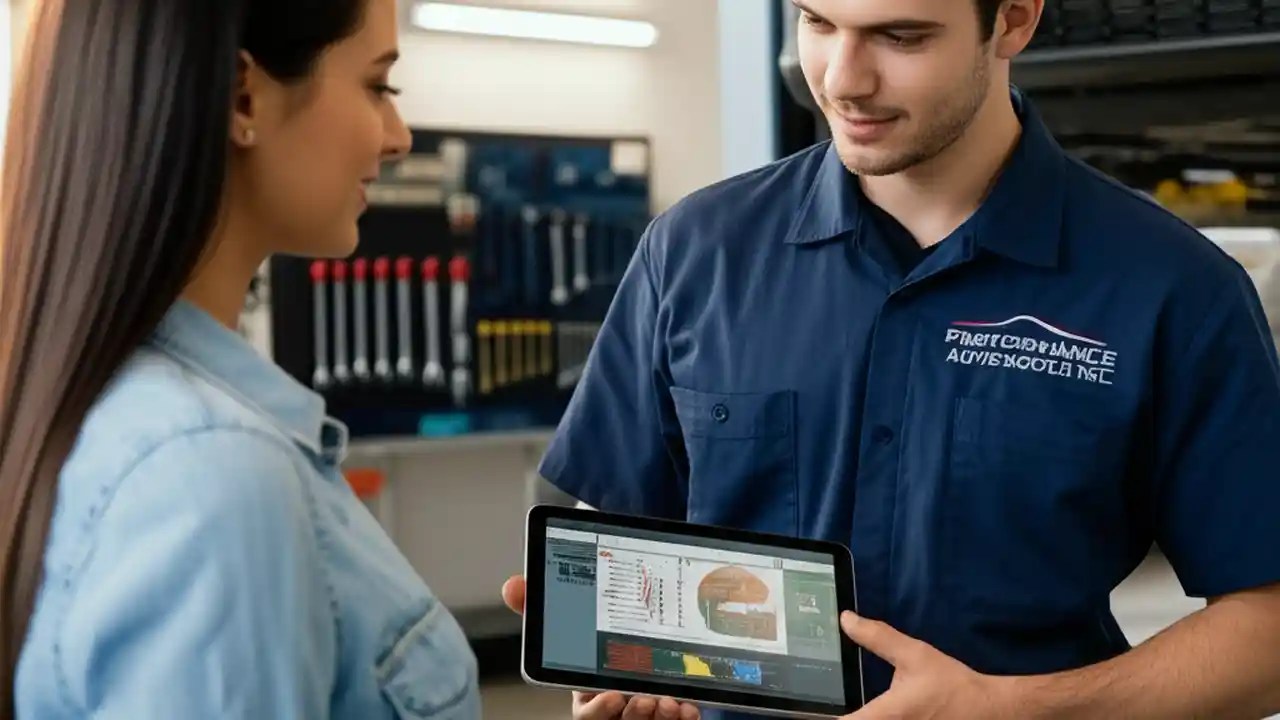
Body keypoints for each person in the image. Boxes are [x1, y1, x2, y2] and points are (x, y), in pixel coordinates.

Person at [503, 0, 1280, 718]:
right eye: (817, 21)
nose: (843, 80)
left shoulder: (1170, 287)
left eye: (899, 36)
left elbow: (1268, 627)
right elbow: (616, 527)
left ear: (1012, 20)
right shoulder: (696, 253)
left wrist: (1015, 711)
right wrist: (624, 666)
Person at [0, 1, 481, 718]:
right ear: (243, 97)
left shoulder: (111, 414)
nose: (397, 136)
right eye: (379, 87)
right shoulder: (211, 476)